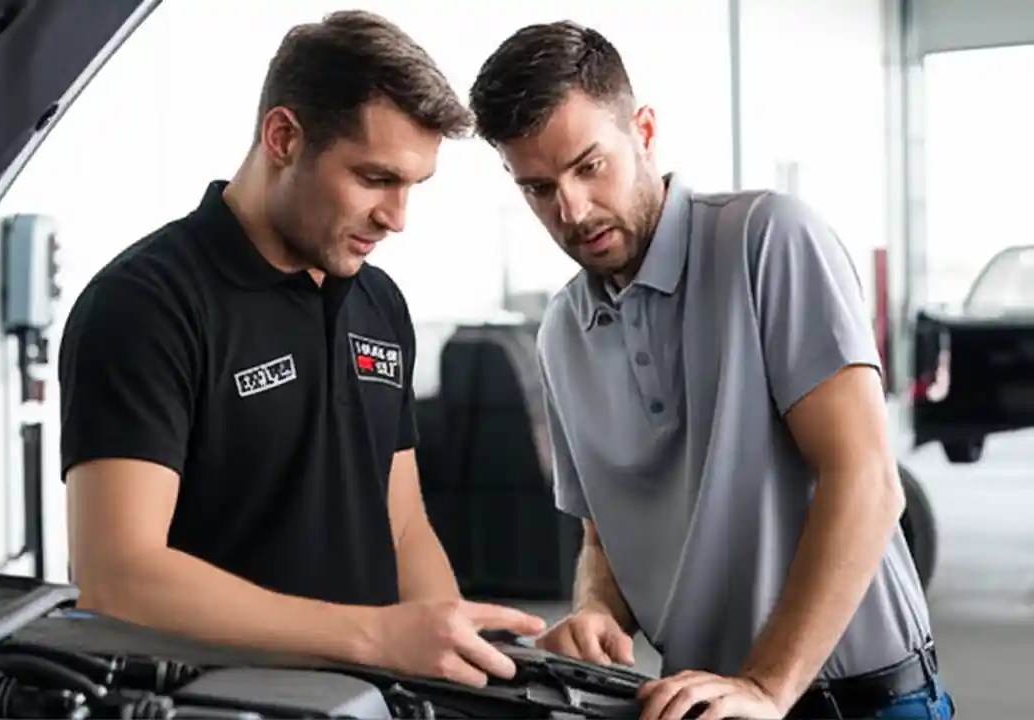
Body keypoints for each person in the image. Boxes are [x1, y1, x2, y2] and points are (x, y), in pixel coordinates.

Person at [468, 21, 954, 720]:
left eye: (588, 166)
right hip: (701, 705)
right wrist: (597, 607)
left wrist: (767, 684)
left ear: (643, 131)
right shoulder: (560, 335)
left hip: (863, 701)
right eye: (539, 188)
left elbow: (869, 481)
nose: (570, 210)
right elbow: (605, 534)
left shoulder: (768, 241)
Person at [57, 10, 545, 689]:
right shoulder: (146, 305)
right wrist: (375, 637)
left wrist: (458, 658)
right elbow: (117, 576)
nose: (397, 218)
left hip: (369, 701)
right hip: (212, 704)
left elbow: (402, 526)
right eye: (375, 178)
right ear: (283, 137)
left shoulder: (380, 304)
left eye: (412, 187)